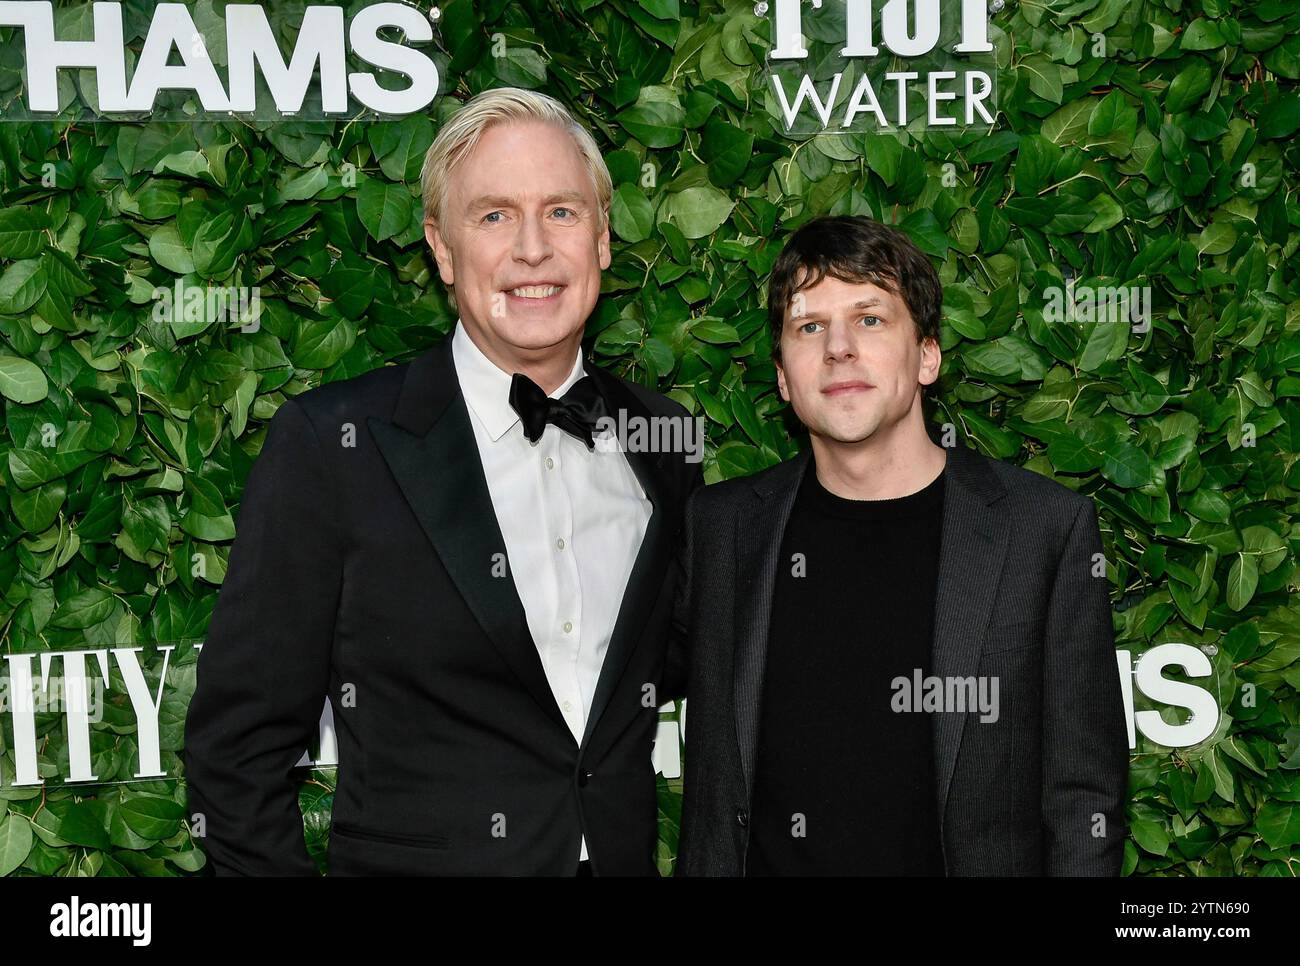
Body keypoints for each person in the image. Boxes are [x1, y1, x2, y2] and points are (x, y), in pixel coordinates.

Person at [185, 87, 700, 876]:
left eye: (562, 212)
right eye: (494, 215)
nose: (533, 249)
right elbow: (236, 750)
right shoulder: (334, 447)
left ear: (602, 237)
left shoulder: (663, 440)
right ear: (442, 249)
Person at [673, 215, 1129, 875]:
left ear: (927, 356)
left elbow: (1084, 797)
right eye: (809, 327)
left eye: (869, 319)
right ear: (782, 376)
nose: (838, 349)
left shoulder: (1044, 531)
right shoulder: (721, 528)